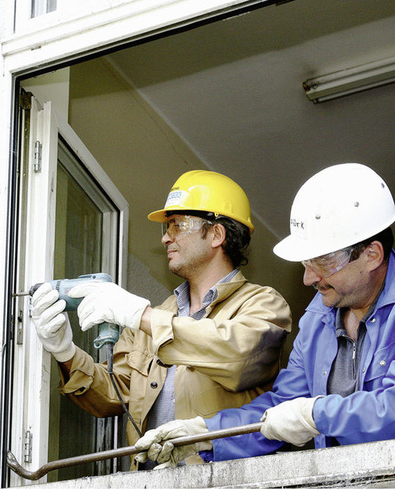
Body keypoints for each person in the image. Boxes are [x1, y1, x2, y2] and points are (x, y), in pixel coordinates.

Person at [133, 163, 395, 468]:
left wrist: (315, 415)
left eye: (322, 262)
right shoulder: (321, 314)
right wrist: (203, 434)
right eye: (306, 263)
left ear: (372, 255)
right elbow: (282, 407)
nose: (308, 279)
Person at [31, 169, 292, 467]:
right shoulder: (153, 318)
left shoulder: (263, 304)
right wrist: (64, 351)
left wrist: (141, 315)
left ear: (217, 234)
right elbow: (111, 395)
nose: (166, 237)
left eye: (177, 225)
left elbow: (239, 357)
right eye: (167, 228)